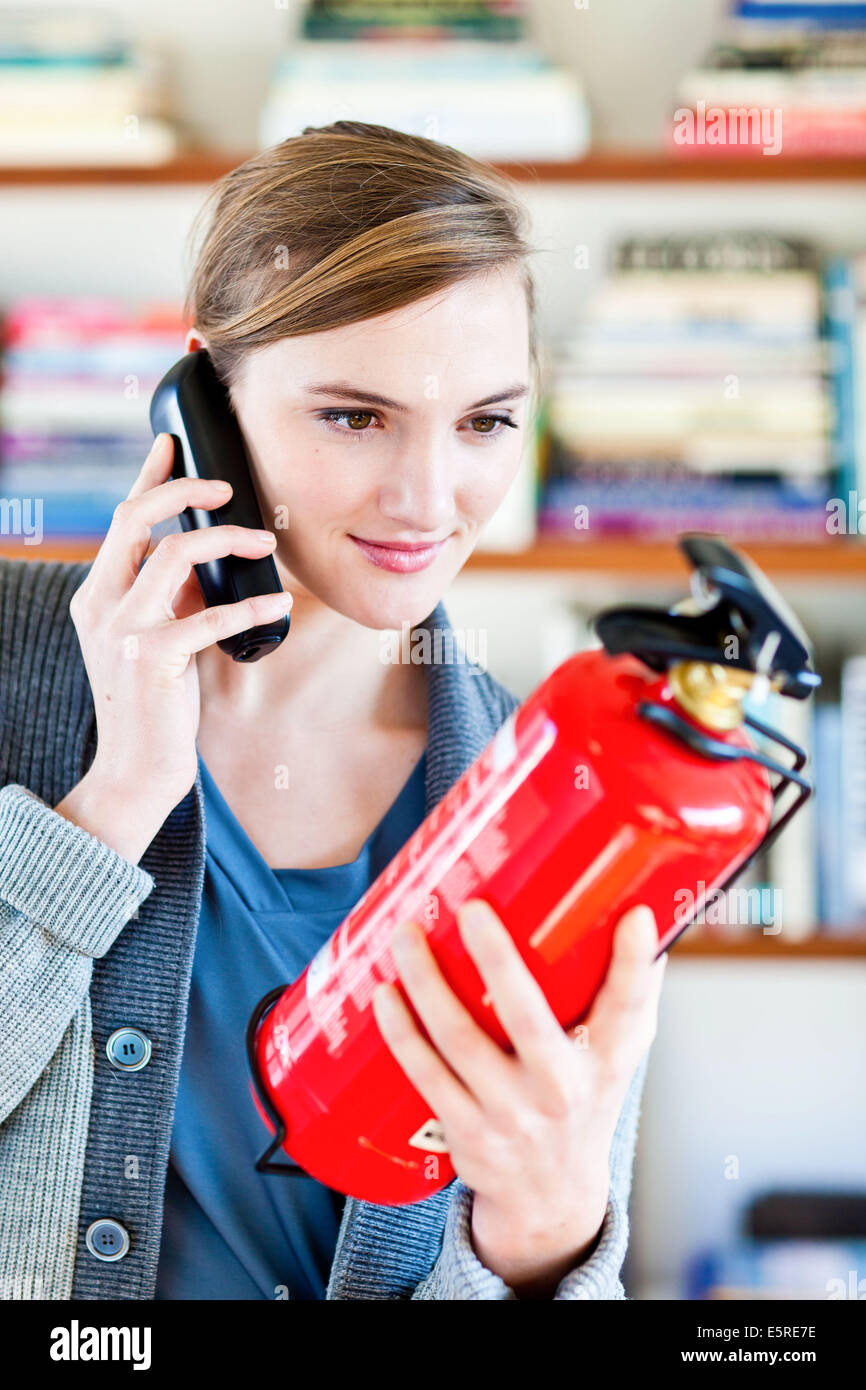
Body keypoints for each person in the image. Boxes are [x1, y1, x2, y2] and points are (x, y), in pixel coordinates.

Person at [0, 120, 665, 1302]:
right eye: (353, 416)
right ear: (202, 400)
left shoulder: (555, 787)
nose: (425, 500)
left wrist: (548, 1233)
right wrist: (105, 814)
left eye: (483, 421)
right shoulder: (14, 660)